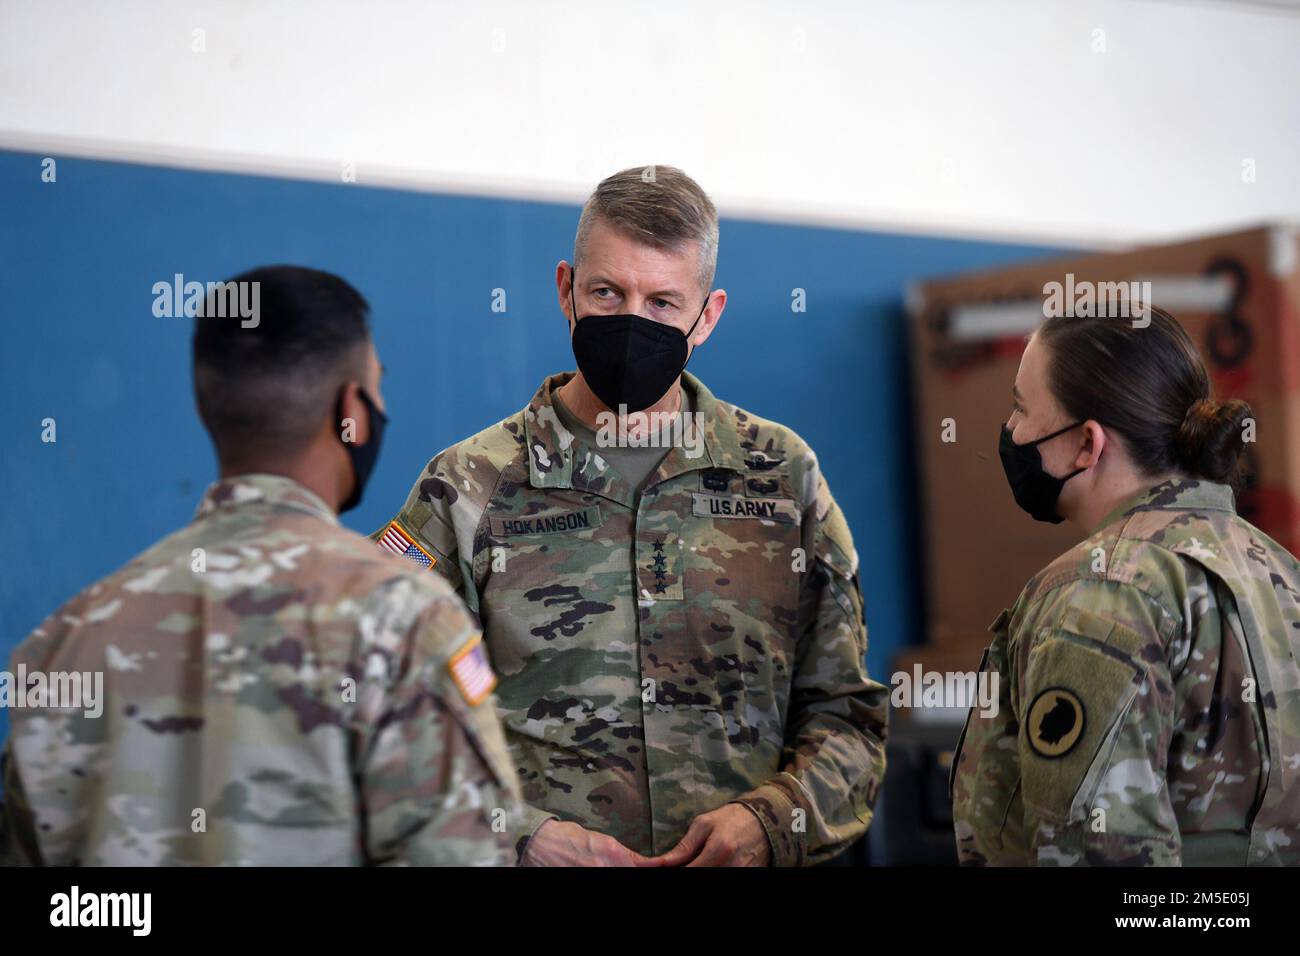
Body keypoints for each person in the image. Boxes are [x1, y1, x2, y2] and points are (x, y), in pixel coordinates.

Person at [374, 165, 889, 866]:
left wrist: (771, 822)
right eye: (607, 293)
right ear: (566, 290)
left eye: (662, 304)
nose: (630, 324)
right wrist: (518, 836)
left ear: (707, 316)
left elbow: (848, 721)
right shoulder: (467, 485)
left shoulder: (781, 478)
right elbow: (385, 715)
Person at [0, 265, 519, 866]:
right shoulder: (406, 623)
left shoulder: (65, 641)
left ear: (210, 406)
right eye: (377, 386)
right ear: (351, 408)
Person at [950, 303, 1300, 866]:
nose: (1011, 431)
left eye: (1020, 408)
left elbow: (1101, 855)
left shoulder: (1101, 592)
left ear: (1087, 444)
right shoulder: (1279, 569)